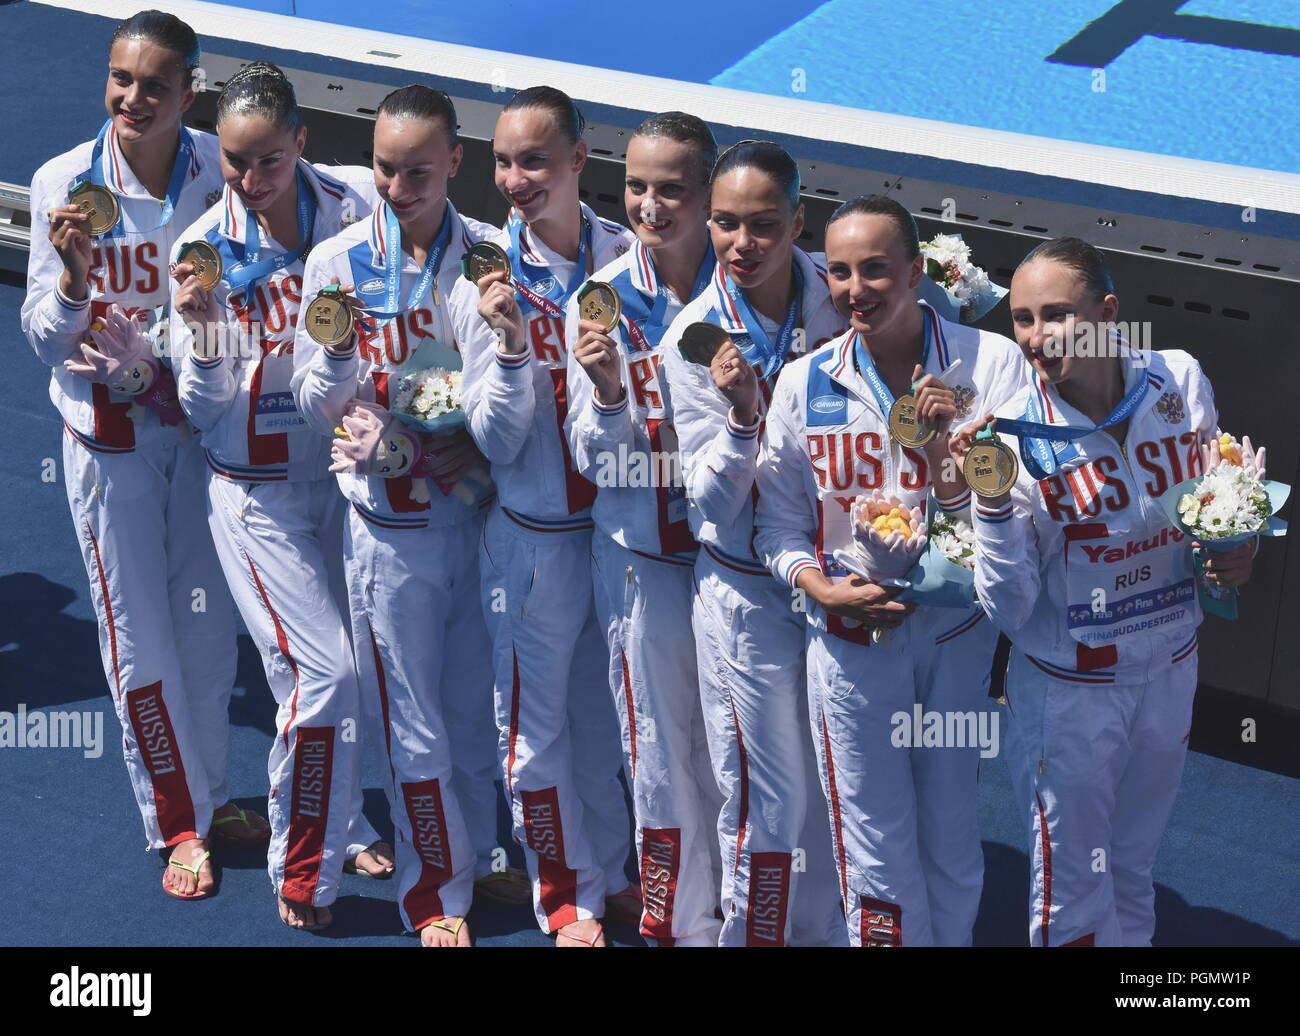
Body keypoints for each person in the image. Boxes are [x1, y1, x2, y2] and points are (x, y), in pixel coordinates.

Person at [952, 236, 1255, 946]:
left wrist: (1233, 552)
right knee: (1073, 892)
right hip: (1072, 695)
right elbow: (1009, 607)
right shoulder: (1011, 438)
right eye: (1022, 319)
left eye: (1055, 314)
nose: (1034, 337)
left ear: (1107, 311)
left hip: (1173, 665)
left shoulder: (1178, 379)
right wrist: (991, 505)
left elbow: (1209, 506)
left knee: (1133, 871)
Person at [21, 9, 253, 901]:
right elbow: (44, 338)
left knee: (202, 629)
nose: (134, 97)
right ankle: (177, 817)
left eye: (156, 84)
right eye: (122, 78)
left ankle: (218, 793)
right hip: (110, 450)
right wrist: (76, 285)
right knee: (138, 638)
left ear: (191, 92)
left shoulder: (219, 172)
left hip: (198, 438)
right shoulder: (61, 182)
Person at [755, 195, 1027, 945]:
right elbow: (776, 525)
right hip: (850, 643)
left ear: (916, 270)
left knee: (949, 833)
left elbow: (1011, 511)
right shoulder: (803, 382)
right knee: (871, 841)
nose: (855, 289)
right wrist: (817, 586)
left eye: (876, 269)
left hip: (956, 640)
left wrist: (945, 453)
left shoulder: (990, 362)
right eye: (839, 273)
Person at [293, 84, 515, 947]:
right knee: (413, 722)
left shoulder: (496, 257)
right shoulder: (338, 262)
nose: (397, 186)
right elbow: (316, 406)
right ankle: (434, 896)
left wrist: (482, 451)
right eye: (385, 168)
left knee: (472, 712)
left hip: (478, 523)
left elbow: (518, 395)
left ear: (456, 163)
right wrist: (345, 355)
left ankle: (481, 855)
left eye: (418, 170)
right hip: (388, 534)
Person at [168, 61, 389, 930]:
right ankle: (302, 865)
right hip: (255, 497)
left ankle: (351, 817)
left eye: (267, 160)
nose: (250, 182)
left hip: (343, 479)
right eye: (232, 161)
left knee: (348, 670)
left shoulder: (358, 207)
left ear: (301, 142)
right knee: (322, 674)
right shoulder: (203, 252)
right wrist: (205, 336)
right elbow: (198, 408)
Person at [457, 86, 637, 947]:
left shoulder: (631, 263)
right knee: (533, 729)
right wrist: (510, 345)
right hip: (529, 547)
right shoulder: (486, 276)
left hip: (616, 541)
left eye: (534, 160)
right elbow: (492, 440)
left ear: (579, 163)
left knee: (605, 724)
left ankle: (611, 868)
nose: (515, 179)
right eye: (501, 161)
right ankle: (564, 894)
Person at [660, 140, 847, 945]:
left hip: (838, 587)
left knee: (840, 788)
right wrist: (743, 417)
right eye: (727, 224)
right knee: (765, 798)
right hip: (746, 595)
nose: (743, 244)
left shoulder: (843, 303)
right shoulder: (693, 339)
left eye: (765, 225)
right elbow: (705, 498)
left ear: (800, 221)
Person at [564, 112, 721, 946]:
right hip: (645, 560)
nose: (650, 206)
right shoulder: (600, 301)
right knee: (660, 754)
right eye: (635, 186)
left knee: (746, 756)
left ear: (709, 194)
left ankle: (748, 917)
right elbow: (592, 457)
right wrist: (613, 396)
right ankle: (678, 924)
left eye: (672, 189)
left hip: (745, 572)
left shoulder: (774, 286)